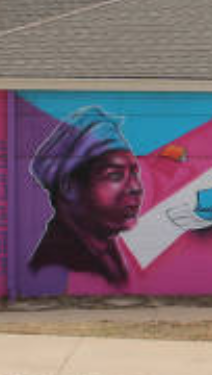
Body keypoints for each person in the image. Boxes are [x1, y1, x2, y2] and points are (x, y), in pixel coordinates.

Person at [28, 106, 143, 285]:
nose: (136, 187)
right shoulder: (56, 264)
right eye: (115, 175)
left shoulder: (103, 247)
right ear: (69, 187)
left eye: (134, 173)